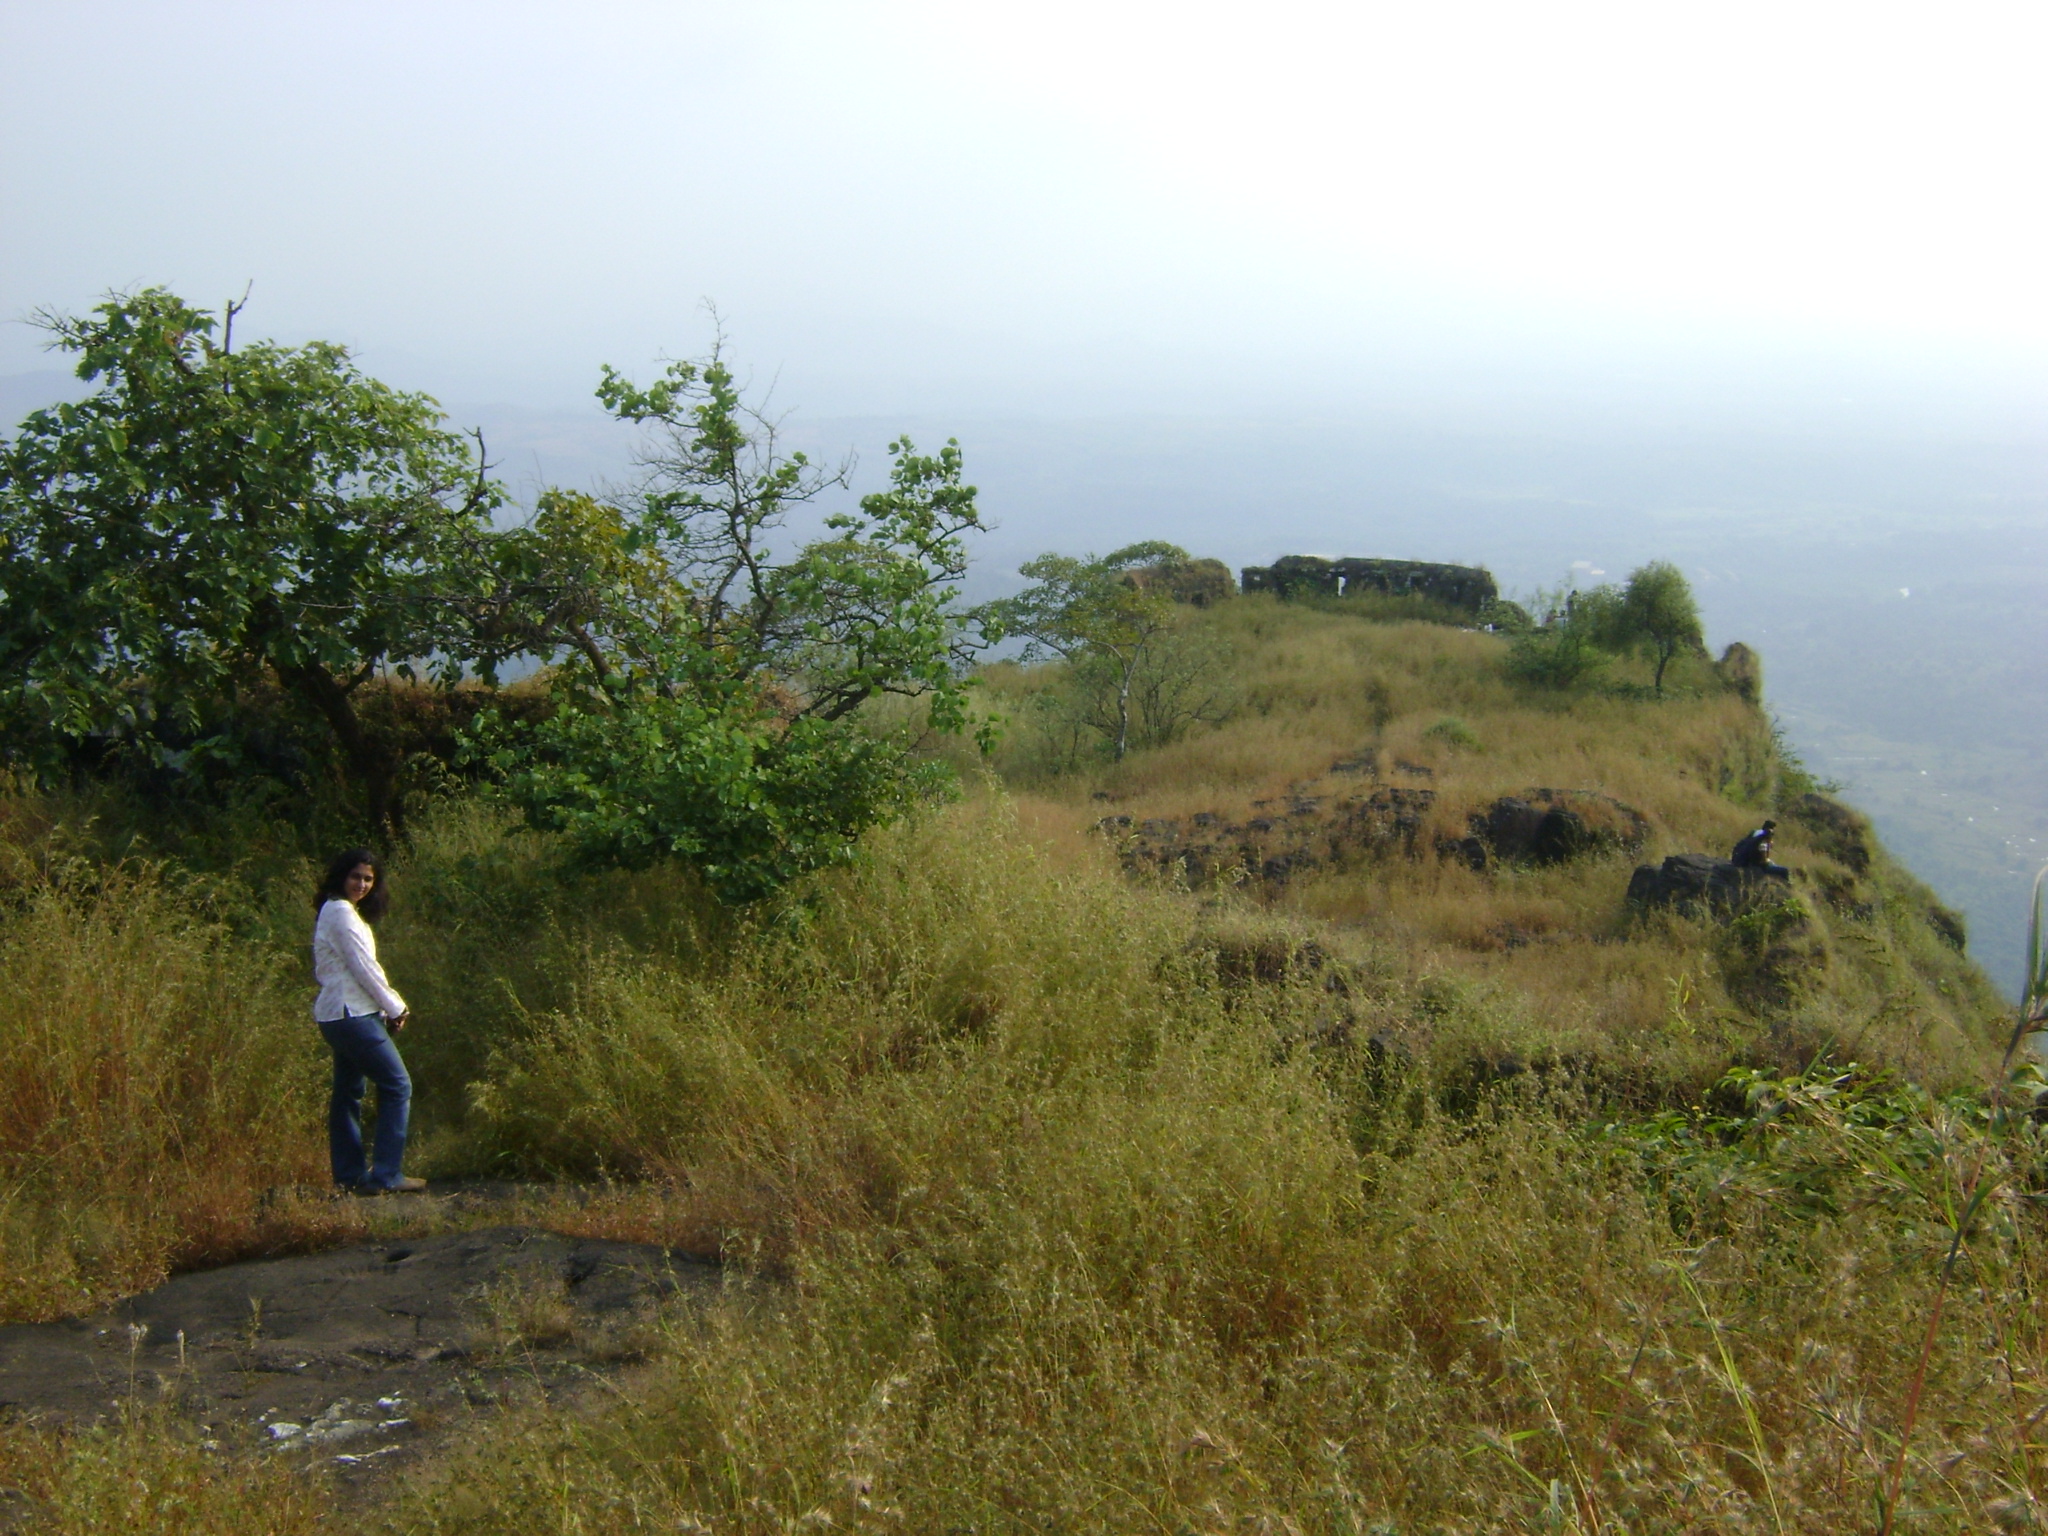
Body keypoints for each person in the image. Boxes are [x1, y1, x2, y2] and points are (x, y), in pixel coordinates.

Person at [312, 848, 425, 1194]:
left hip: (341, 1014)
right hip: (351, 1014)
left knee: (348, 1092)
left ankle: (350, 1177)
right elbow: (364, 968)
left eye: (368, 878)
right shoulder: (341, 913)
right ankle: (387, 1175)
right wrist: (396, 1007)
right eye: (355, 876)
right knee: (397, 1084)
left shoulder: (340, 912)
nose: (361, 884)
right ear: (340, 876)